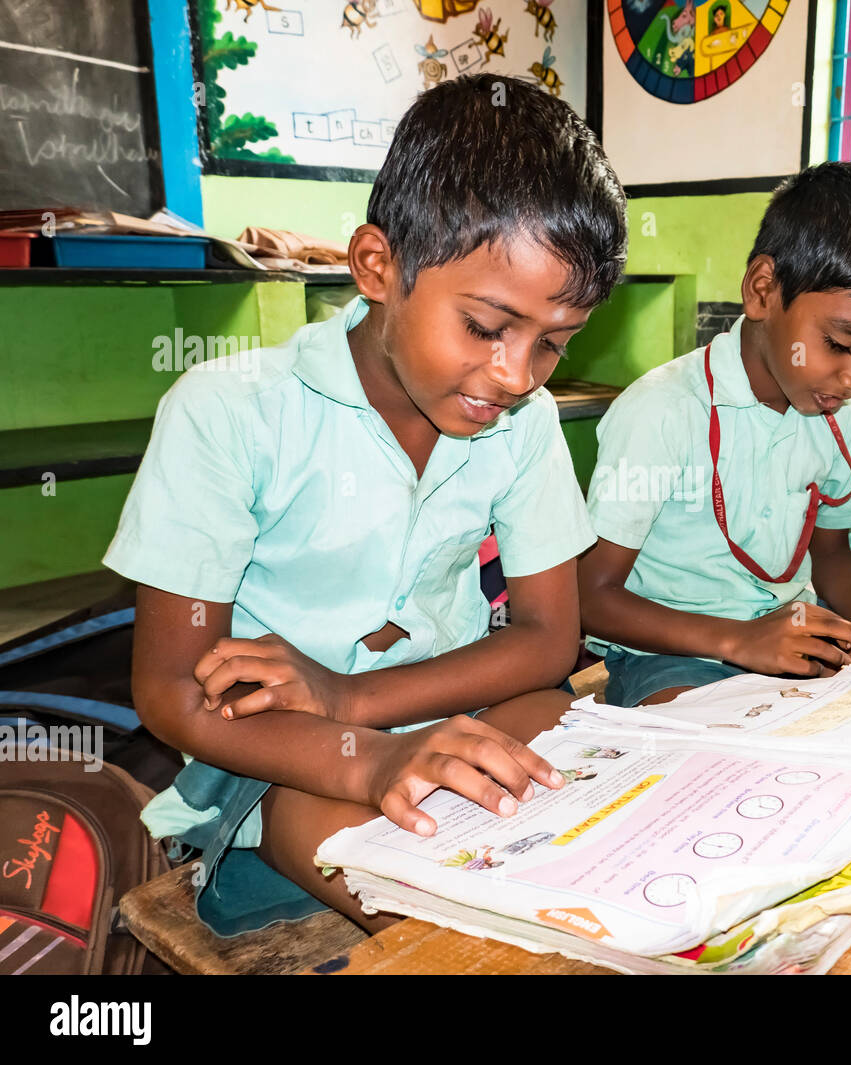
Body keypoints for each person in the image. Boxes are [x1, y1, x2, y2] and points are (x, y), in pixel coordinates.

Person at [104, 75, 628, 933]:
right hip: (276, 755)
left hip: (439, 705)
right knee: (442, 908)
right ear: (379, 266)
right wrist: (369, 754)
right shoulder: (229, 411)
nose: (516, 374)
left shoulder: (523, 421)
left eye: (553, 344)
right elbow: (170, 689)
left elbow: (546, 637)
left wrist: (350, 698)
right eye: (485, 326)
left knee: (591, 751)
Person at [579, 162, 851, 707]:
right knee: (708, 745)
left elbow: (832, 554)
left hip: (795, 635)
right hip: (672, 650)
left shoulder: (836, 416)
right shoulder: (662, 410)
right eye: (840, 345)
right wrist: (739, 640)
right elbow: (591, 596)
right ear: (763, 290)